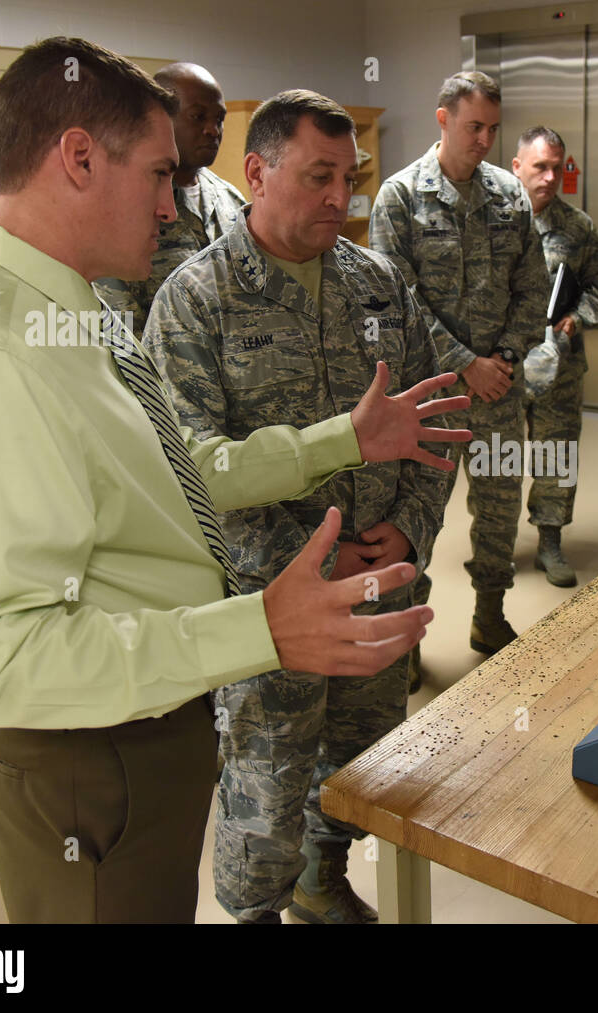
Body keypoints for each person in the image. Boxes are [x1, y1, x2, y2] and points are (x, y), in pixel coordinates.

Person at [0, 37, 470, 923]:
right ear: (78, 159)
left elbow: (182, 472)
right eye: (159, 174)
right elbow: (0, 660)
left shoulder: (79, 313)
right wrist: (254, 628)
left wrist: (341, 438)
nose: (175, 203)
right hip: (86, 755)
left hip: (150, 713)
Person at [145, 90, 447, 925]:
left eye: (348, 178)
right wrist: (305, 554)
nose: (338, 199)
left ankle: (324, 875)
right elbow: (193, 474)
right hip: (267, 605)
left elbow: (435, 427)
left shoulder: (379, 284)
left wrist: (411, 531)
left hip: (381, 584)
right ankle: (257, 914)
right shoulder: (195, 300)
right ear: (257, 172)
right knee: (264, 783)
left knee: (358, 763)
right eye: (318, 177)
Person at [370, 71, 549, 657]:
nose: (485, 140)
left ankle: (489, 617)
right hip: (433, 395)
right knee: (418, 517)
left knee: (498, 514)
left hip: (498, 391)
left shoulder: (509, 195)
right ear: (443, 118)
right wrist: (465, 362)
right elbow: (397, 300)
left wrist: (503, 357)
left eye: (493, 129)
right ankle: (409, 642)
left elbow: (533, 288)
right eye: (475, 126)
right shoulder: (399, 197)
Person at [510, 126, 598, 587]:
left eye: (558, 166)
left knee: (557, 454)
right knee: (495, 455)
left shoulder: (578, 226)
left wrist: (578, 317)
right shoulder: (493, 222)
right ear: (517, 167)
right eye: (540, 166)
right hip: (505, 364)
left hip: (561, 365)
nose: (550, 176)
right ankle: (492, 543)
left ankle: (549, 542)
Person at [94, 62, 245, 325]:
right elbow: (122, 329)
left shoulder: (232, 201)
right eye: (198, 117)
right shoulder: (127, 206)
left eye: (219, 119)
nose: (213, 130)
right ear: (159, 117)